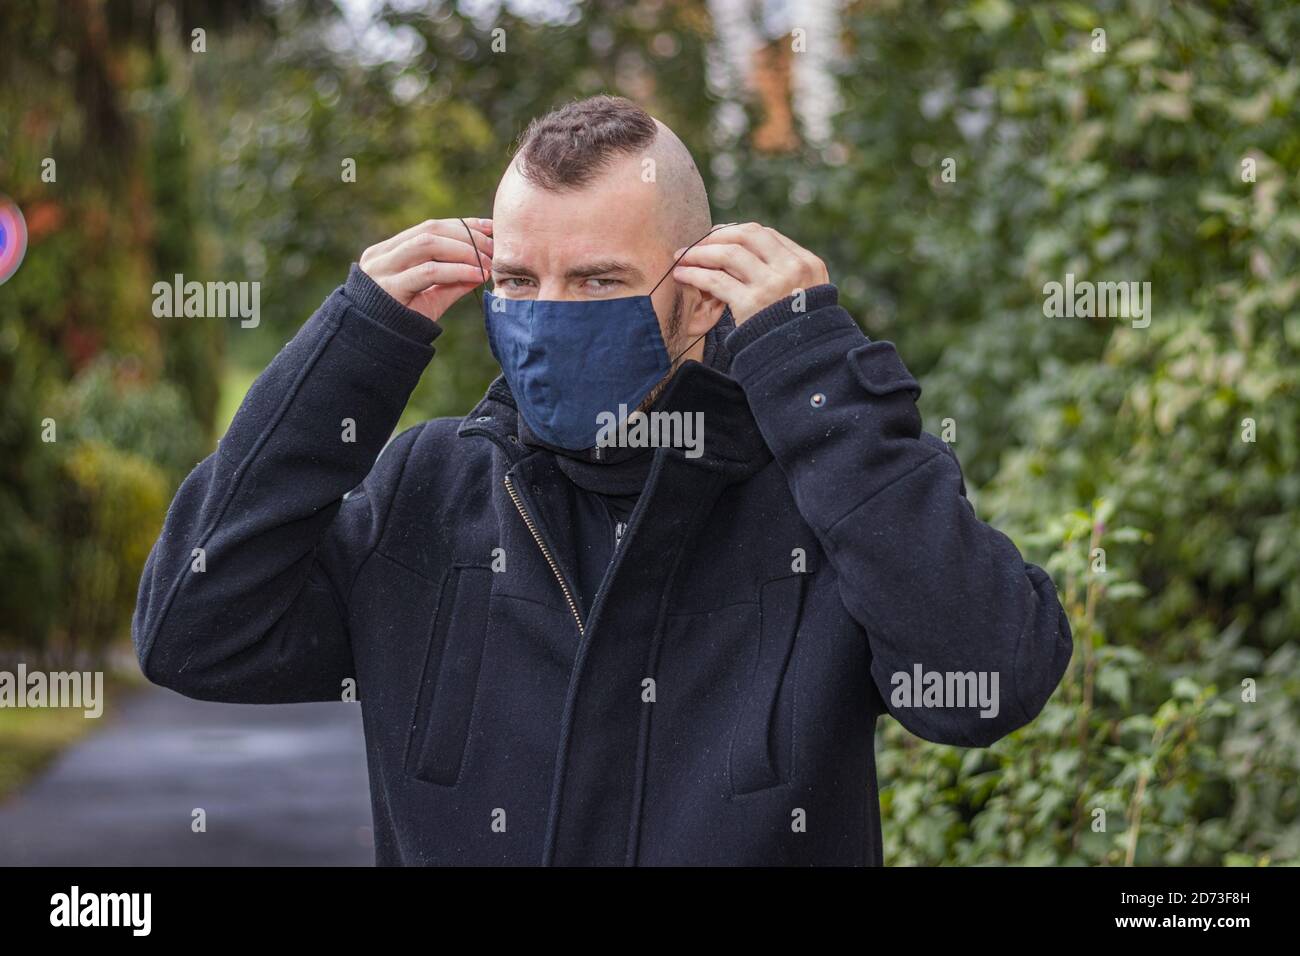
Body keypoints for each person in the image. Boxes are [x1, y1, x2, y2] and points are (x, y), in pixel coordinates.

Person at [133, 95, 1072, 866]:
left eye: (595, 282)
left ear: (700, 295)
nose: (545, 317)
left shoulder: (811, 498)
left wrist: (821, 374)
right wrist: (351, 350)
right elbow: (192, 630)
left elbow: (986, 679)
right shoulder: (429, 491)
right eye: (517, 280)